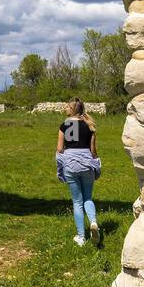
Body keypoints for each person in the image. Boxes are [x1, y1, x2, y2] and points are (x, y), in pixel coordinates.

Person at [55, 98, 102, 247]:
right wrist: (97, 165)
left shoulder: (65, 125)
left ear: (73, 109)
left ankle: (81, 237)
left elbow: (59, 149)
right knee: (88, 197)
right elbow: (93, 151)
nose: (65, 108)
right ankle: (93, 222)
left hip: (70, 164)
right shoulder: (90, 126)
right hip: (86, 164)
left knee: (77, 201)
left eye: (68, 106)